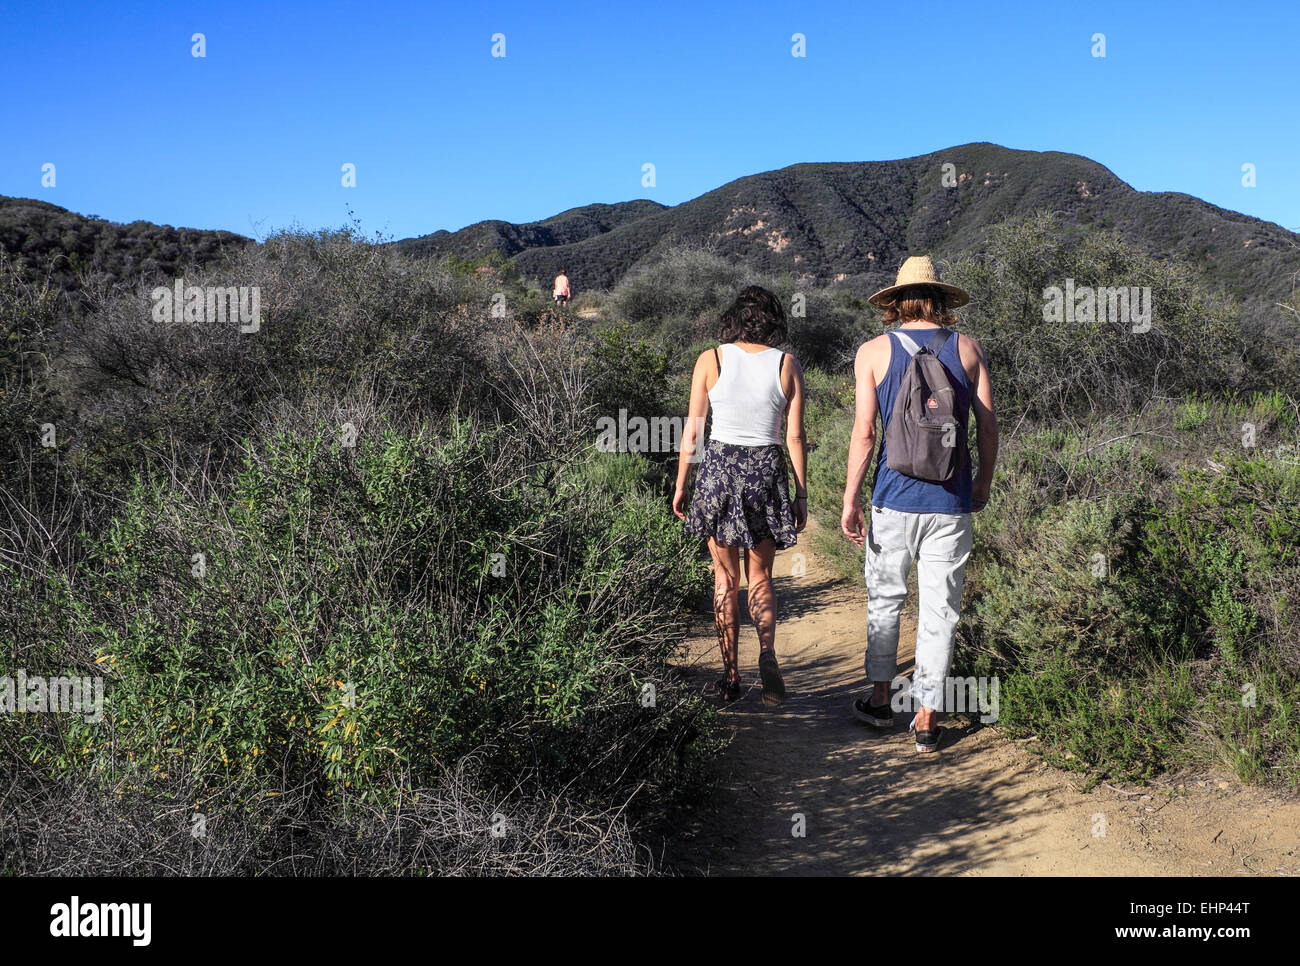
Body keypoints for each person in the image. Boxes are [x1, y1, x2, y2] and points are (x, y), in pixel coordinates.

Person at [841, 255, 998, 752]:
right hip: (950, 499)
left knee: (886, 599)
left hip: (892, 498)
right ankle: (927, 717)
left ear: (895, 302)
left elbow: (865, 434)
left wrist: (851, 500)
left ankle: (881, 697)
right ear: (942, 300)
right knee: (940, 609)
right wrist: (983, 485)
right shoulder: (968, 350)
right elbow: (988, 428)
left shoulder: (871, 352)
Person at [673, 286, 808, 706]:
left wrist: (681, 485)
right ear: (772, 320)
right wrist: (801, 493)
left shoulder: (710, 359)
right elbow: (795, 436)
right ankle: (767, 654)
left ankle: (731, 675)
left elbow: (694, 431)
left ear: (734, 318)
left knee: (725, 580)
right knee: (762, 576)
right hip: (765, 470)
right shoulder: (787, 364)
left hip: (719, 470)